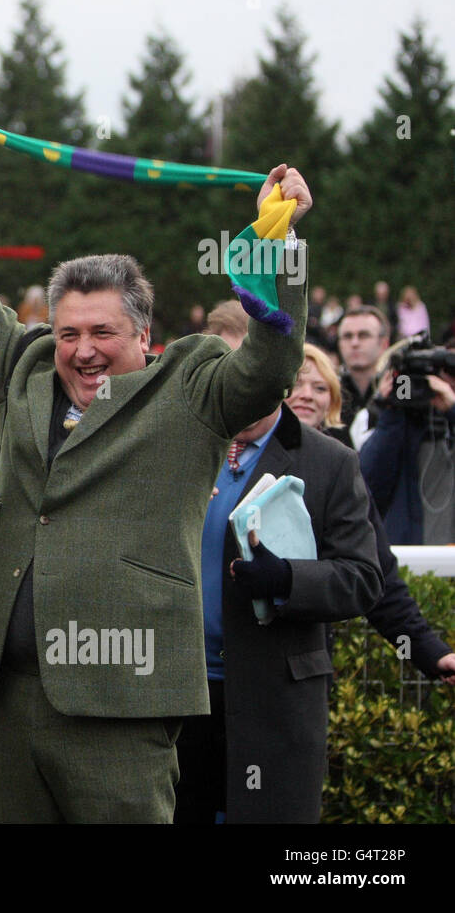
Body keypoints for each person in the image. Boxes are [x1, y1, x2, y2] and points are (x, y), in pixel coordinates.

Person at [0, 107, 312, 823]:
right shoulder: (26, 364)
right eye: (70, 332)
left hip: (123, 701)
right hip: (7, 693)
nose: (83, 349)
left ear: (143, 333)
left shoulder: (190, 385)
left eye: (103, 331)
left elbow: (269, 366)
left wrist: (280, 243)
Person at [174, 324, 383, 823]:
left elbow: (363, 579)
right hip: (180, 699)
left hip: (276, 702)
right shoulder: (179, 451)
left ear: (279, 381)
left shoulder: (331, 462)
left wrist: (289, 579)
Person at [283, 341, 455, 687]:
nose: (306, 395)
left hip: (298, 669)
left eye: (319, 388)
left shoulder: (337, 466)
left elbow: (377, 574)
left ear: (332, 402)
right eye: (295, 384)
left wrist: (430, 652)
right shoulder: (223, 453)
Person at [357, 337, 455, 545]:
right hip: (409, 558)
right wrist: (392, 409)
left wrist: (452, 411)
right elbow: (367, 484)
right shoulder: (398, 421)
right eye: (446, 371)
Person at [336, 305, 391, 439]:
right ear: (339, 344)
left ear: (384, 344)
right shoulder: (328, 392)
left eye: (364, 335)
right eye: (347, 336)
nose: (354, 343)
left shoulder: (399, 388)